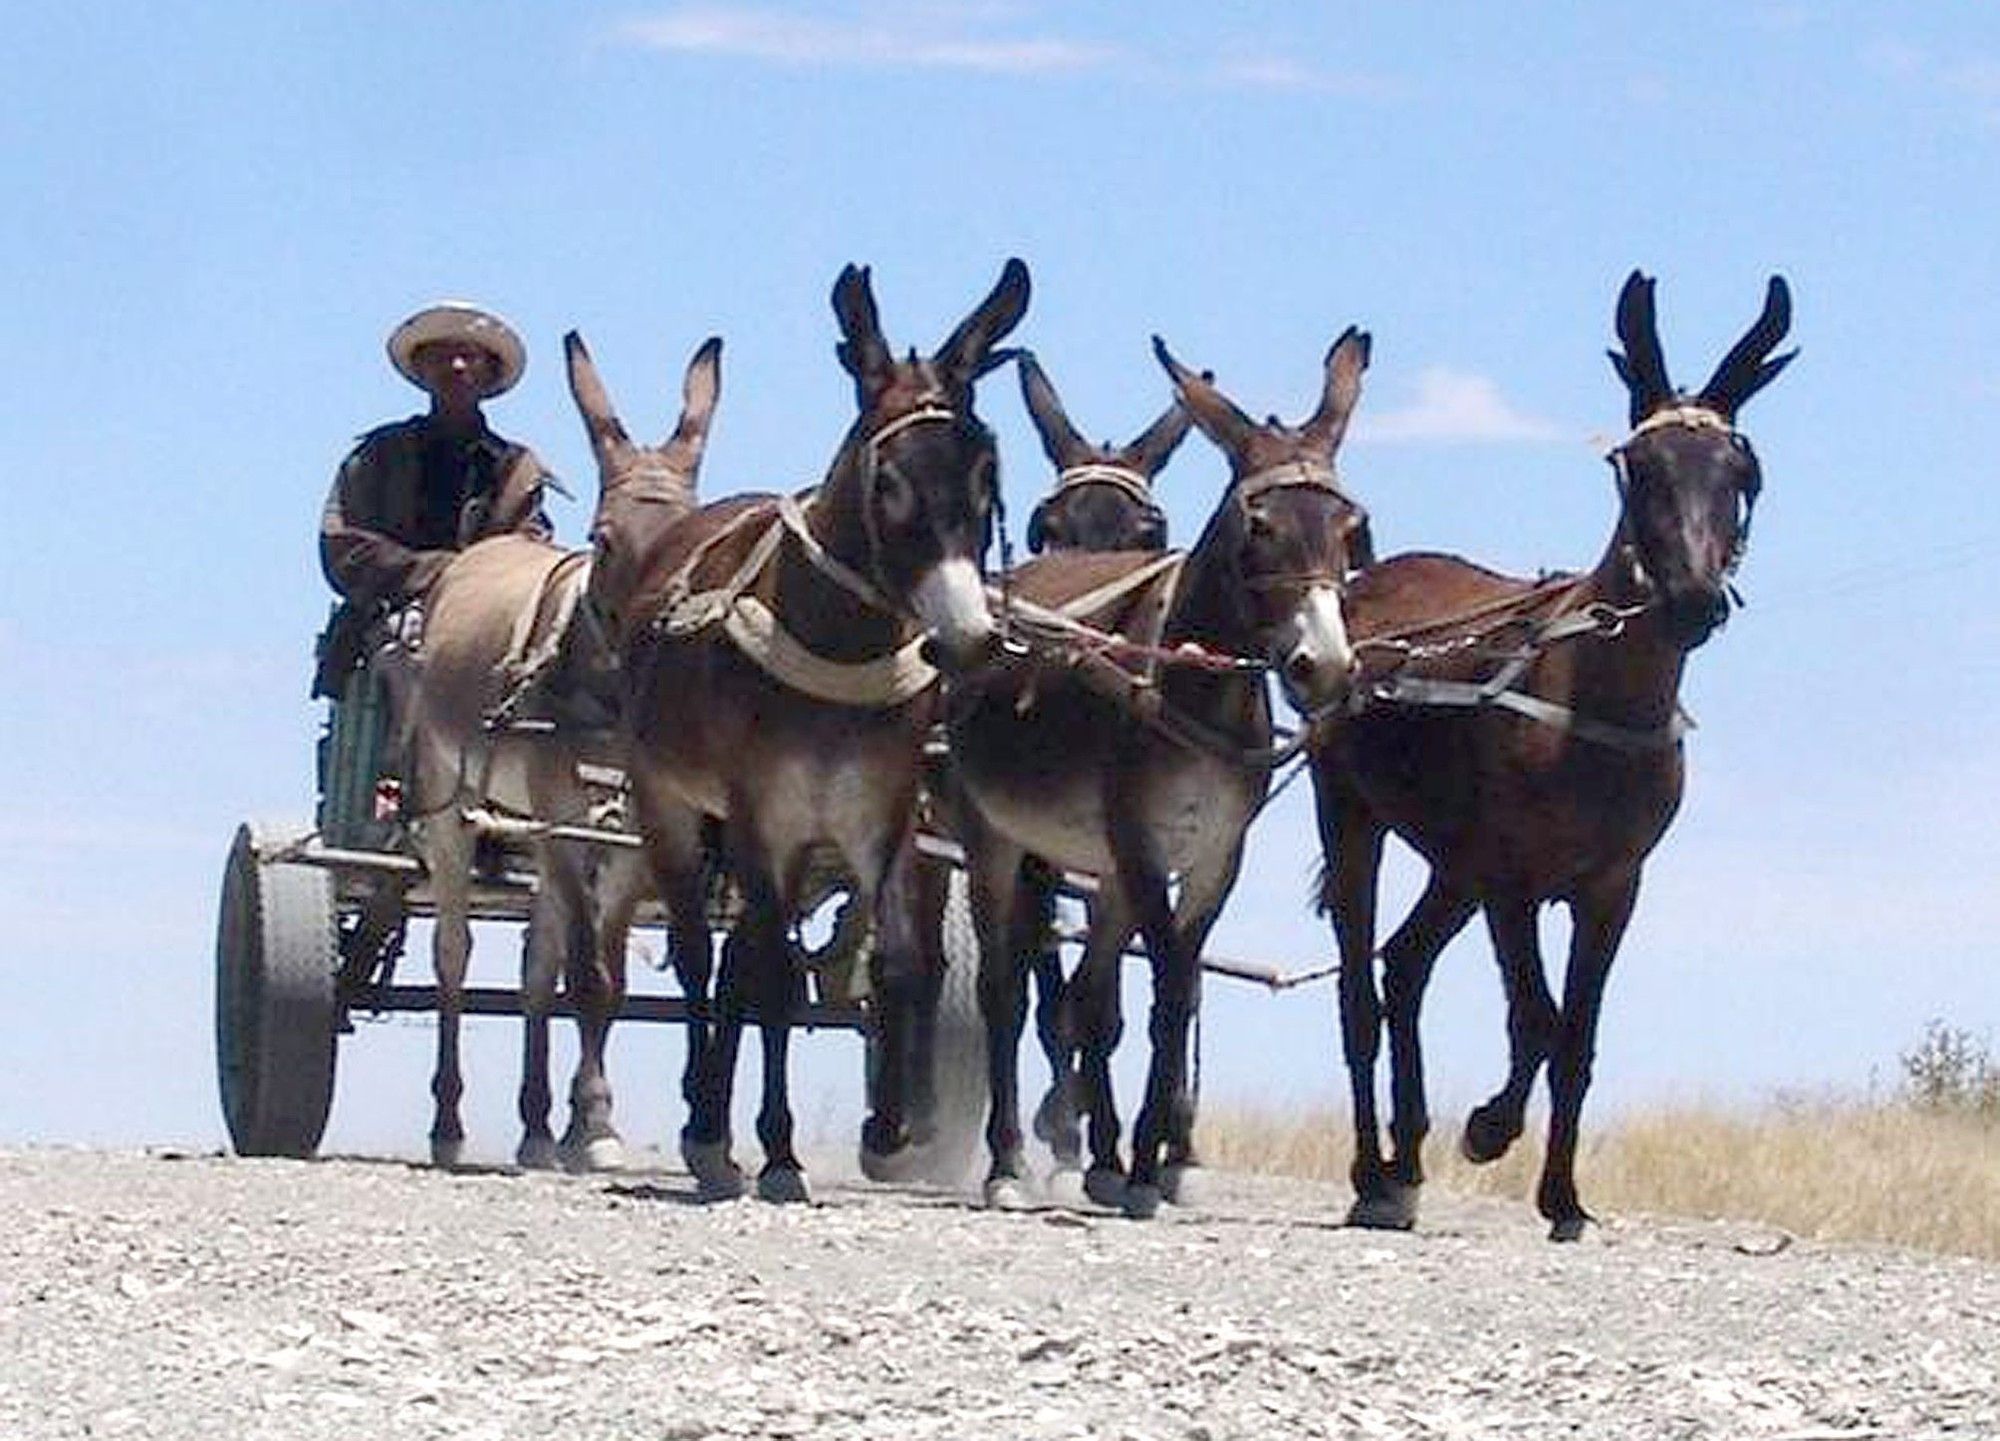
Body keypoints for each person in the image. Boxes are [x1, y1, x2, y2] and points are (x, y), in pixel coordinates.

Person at [312, 301, 558, 700]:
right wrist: (441, 575)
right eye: (442, 357)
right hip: (392, 617)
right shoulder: (378, 456)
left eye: (469, 357)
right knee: (406, 659)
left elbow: (530, 554)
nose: (457, 366)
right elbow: (344, 549)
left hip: (492, 623)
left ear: (488, 372)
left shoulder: (517, 470)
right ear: (423, 371)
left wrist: (479, 588)